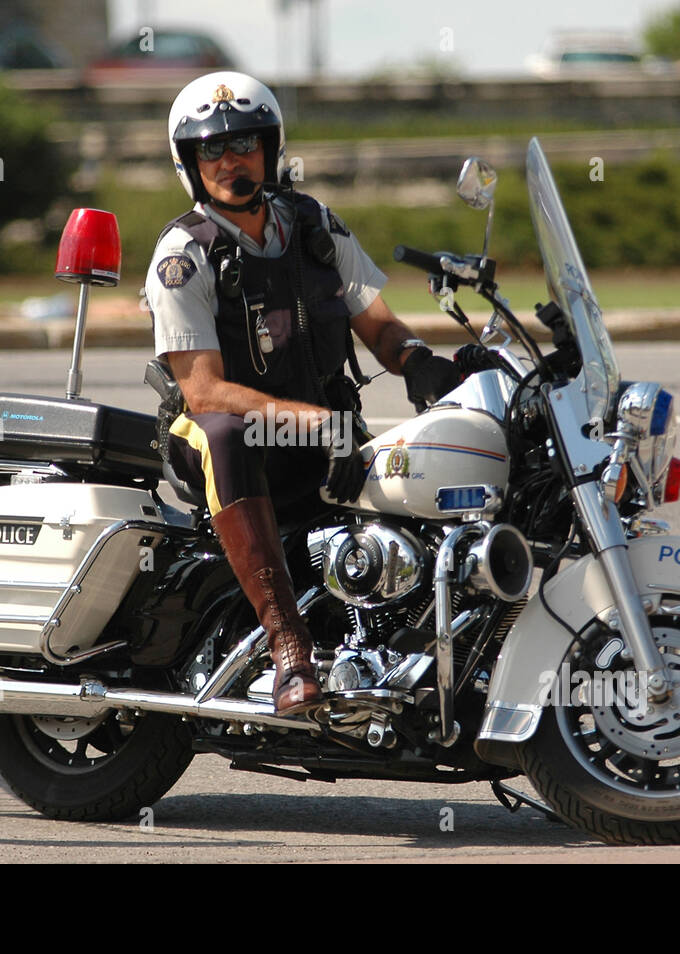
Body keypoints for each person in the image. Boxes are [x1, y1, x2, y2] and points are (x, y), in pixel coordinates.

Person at [145, 71, 460, 715]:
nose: (231, 161)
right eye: (212, 149)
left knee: (427, 466)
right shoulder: (185, 253)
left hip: (323, 430)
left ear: (270, 149)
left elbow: (377, 323)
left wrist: (419, 360)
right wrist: (317, 424)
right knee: (227, 434)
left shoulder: (316, 226)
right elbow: (203, 390)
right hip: (215, 436)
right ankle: (289, 645)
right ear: (190, 162)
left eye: (245, 145)